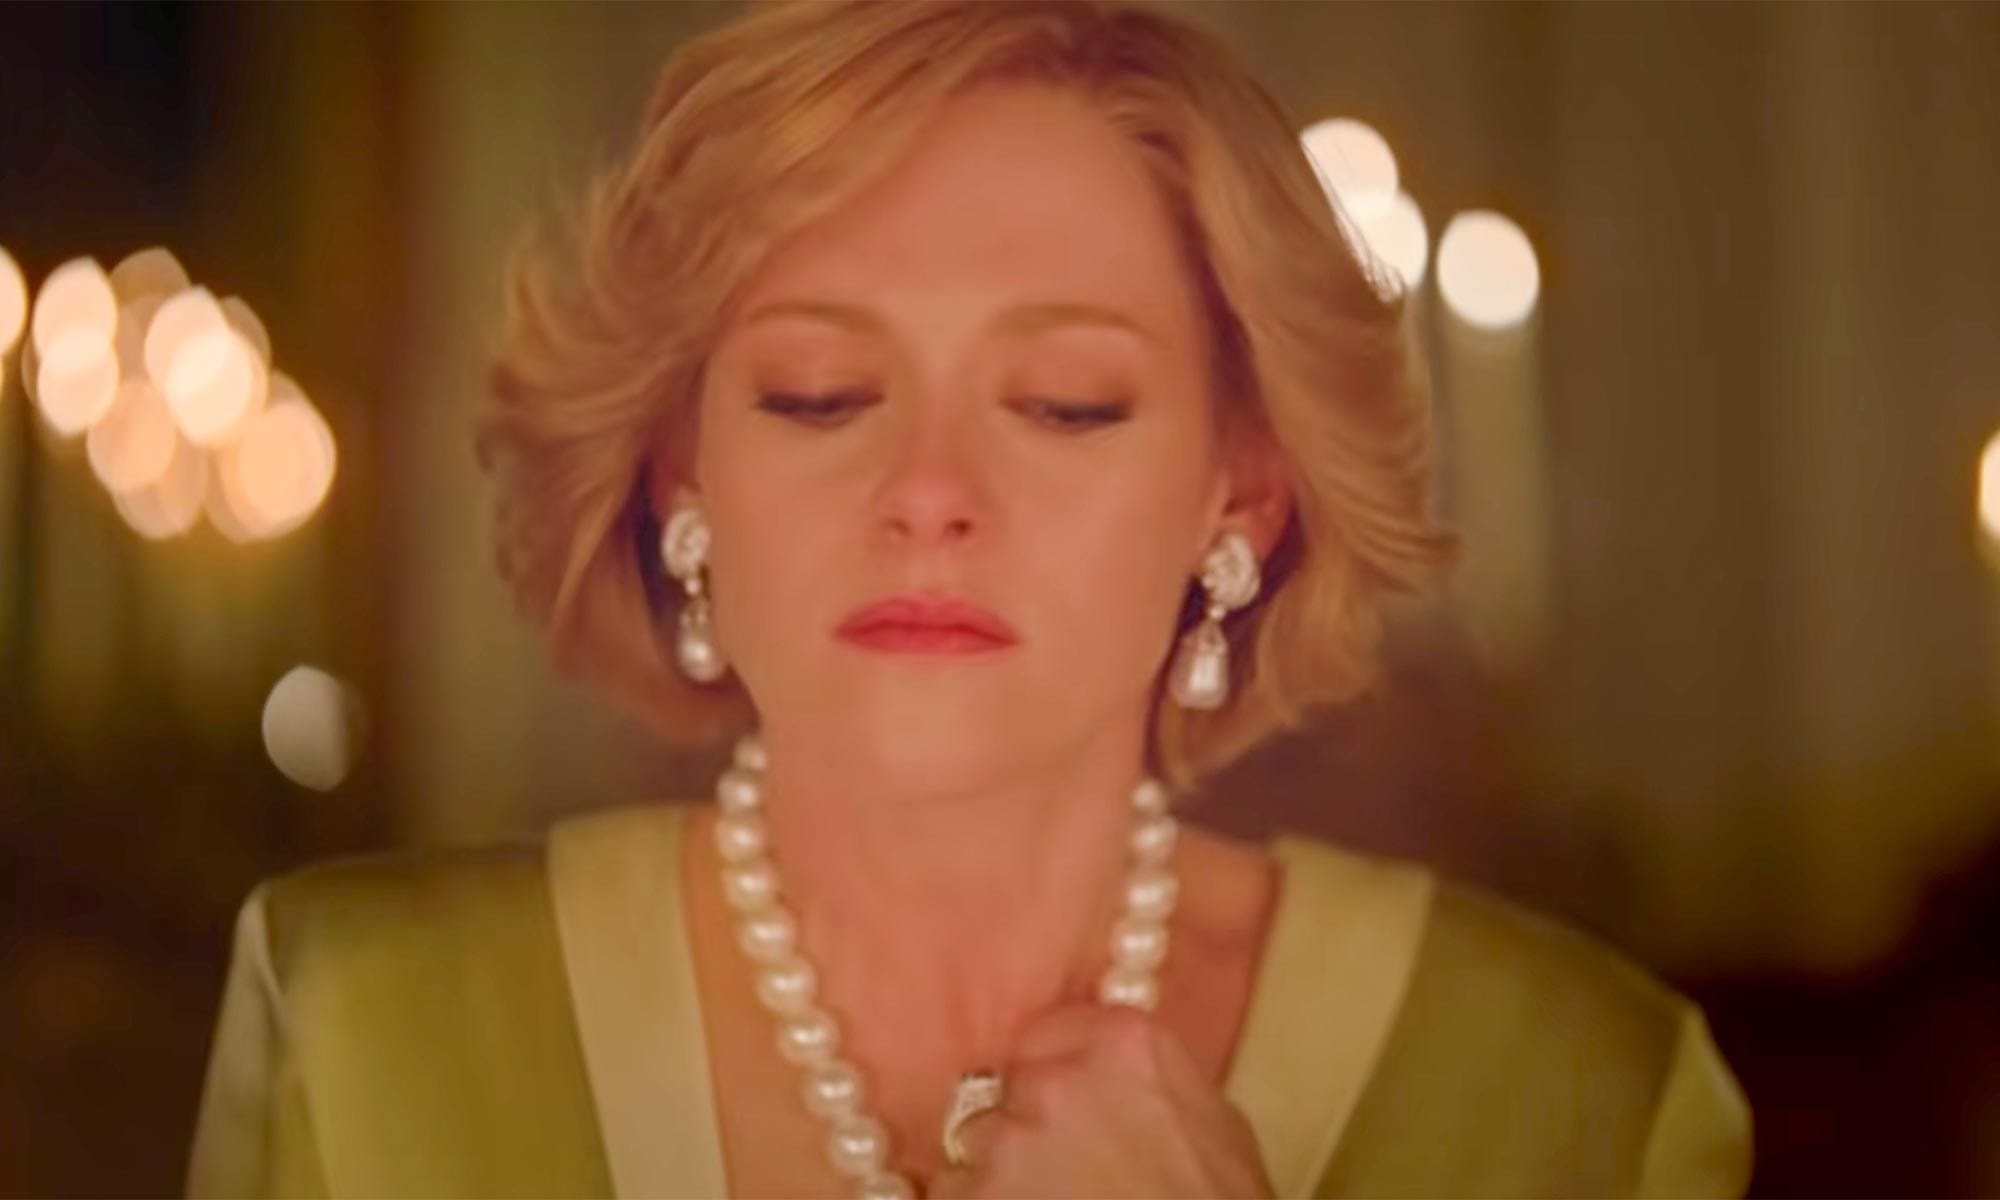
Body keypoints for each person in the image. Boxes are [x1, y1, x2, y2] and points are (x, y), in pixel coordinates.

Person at [185, 1, 1753, 1197]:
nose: (928, 490)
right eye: (818, 392)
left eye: (1066, 403)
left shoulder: (1579, 1100)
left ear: (1242, 494)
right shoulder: (364, 1035)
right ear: (682, 475)